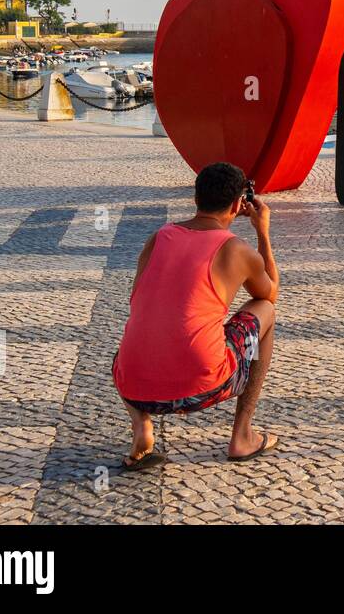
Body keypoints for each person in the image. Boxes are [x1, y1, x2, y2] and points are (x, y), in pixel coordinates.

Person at [112, 162, 279, 468]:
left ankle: (141, 427)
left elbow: (137, 300)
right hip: (205, 387)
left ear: (195, 199)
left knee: (133, 339)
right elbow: (268, 293)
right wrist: (263, 232)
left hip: (134, 387)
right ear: (238, 204)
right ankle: (242, 436)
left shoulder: (159, 236)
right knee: (265, 311)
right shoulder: (235, 249)